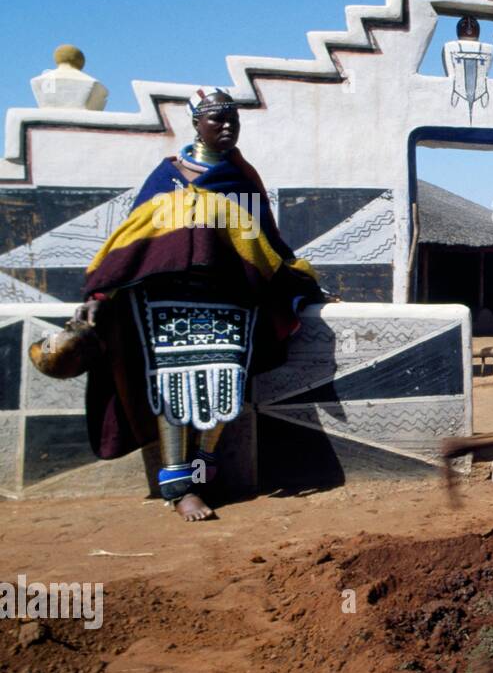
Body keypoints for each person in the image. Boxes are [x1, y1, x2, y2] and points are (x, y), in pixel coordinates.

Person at [77, 88, 325, 521]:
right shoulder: (167, 177)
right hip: (166, 303)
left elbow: (261, 241)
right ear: (196, 124)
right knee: (174, 386)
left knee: (221, 385)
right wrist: (103, 294)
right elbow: (133, 242)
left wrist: (295, 279)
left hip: (228, 301)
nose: (227, 126)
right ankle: (178, 490)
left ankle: (202, 478)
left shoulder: (239, 179)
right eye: (217, 119)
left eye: (233, 119)